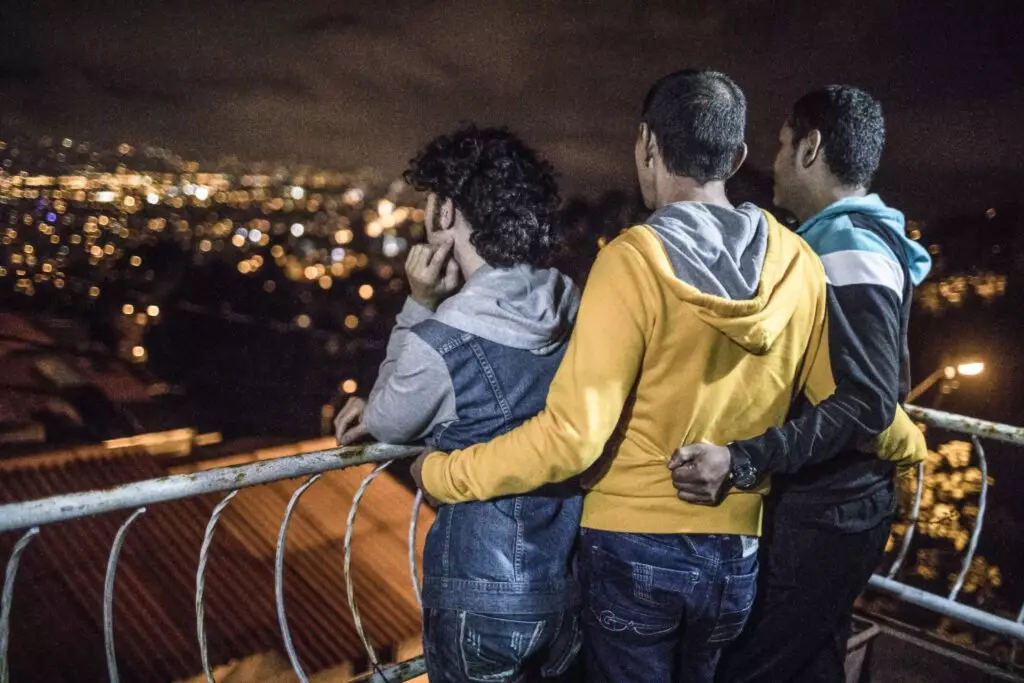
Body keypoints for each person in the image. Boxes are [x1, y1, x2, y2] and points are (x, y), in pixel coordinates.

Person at [410, 70, 923, 683]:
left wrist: (441, 472)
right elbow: (839, 401)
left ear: (647, 145)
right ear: (735, 158)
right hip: (738, 555)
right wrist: (907, 441)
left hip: (633, 550)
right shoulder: (797, 260)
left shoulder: (631, 260)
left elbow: (573, 437)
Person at [669, 86, 932, 683]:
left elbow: (867, 400)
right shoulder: (868, 235)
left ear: (812, 147)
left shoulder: (849, 246)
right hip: (846, 506)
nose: (778, 162)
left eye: (784, 146)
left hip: (825, 512)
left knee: (745, 668)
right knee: (813, 664)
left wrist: (743, 459)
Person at [333, 124, 583, 683]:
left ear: (446, 211)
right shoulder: (570, 299)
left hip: (480, 592)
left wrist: (419, 304)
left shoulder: (442, 341)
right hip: (568, 578)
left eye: (429, 202)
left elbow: (387, 421)